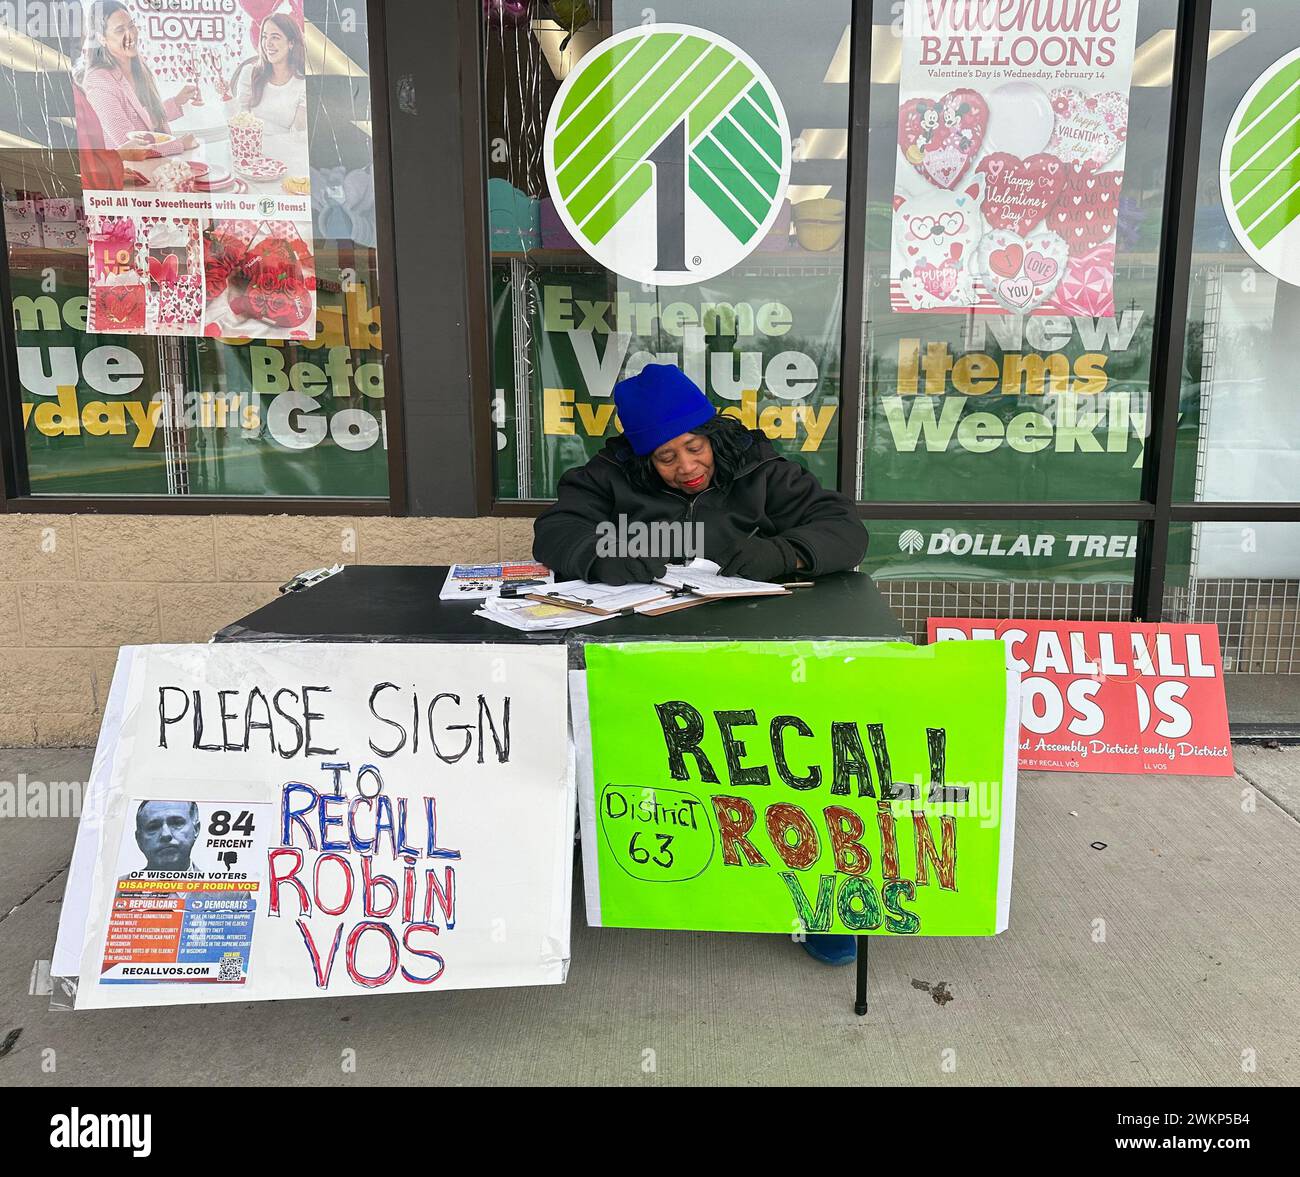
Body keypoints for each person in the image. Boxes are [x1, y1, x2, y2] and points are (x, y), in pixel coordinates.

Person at [533, 365, 868, 967]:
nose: (687, 466)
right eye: (665, 457)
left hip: (750, 649)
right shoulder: (607, 476)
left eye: (695, 447)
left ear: (713, 434)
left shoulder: (761, 467)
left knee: (792, 763)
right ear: (642, 458)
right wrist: (608, 556)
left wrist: (778, 554)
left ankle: (821, 902)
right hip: (641, 648)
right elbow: (557, 531)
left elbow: (844, 530)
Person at [75, 1, 200, 154]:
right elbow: (131, 146)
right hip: (130, 172)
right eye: (120, 30)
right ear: (101, 38)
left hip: (157, 165)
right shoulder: (99, 81)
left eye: (131, 25)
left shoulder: (137, 65)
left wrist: (176, 102)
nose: (131, 34)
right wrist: (179, 145)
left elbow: (143, 118)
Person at [234, 13, 308, 133]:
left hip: (286, 150)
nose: (267, 44)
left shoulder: (303, 84)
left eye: (275, 37)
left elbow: (298, 135)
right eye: (264, 36)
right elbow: (239, 120)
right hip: (251, 148)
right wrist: (225, 97)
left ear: (291, 43)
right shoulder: (249, 73)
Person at [134, 800, 202, 873]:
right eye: (153, 827)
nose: (165, 834)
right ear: (139, 840)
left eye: (177, 823)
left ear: (196, 829)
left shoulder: (213, 883)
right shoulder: (121, 883)